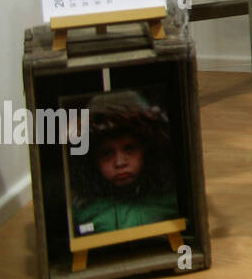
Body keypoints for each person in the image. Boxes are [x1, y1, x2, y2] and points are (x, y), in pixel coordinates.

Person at [69, 92, 177, 234]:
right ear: (92, 160)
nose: (120, 163)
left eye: (130, 149)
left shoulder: (173, 200)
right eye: (106, 154)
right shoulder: (79, 211)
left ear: (146, 151)